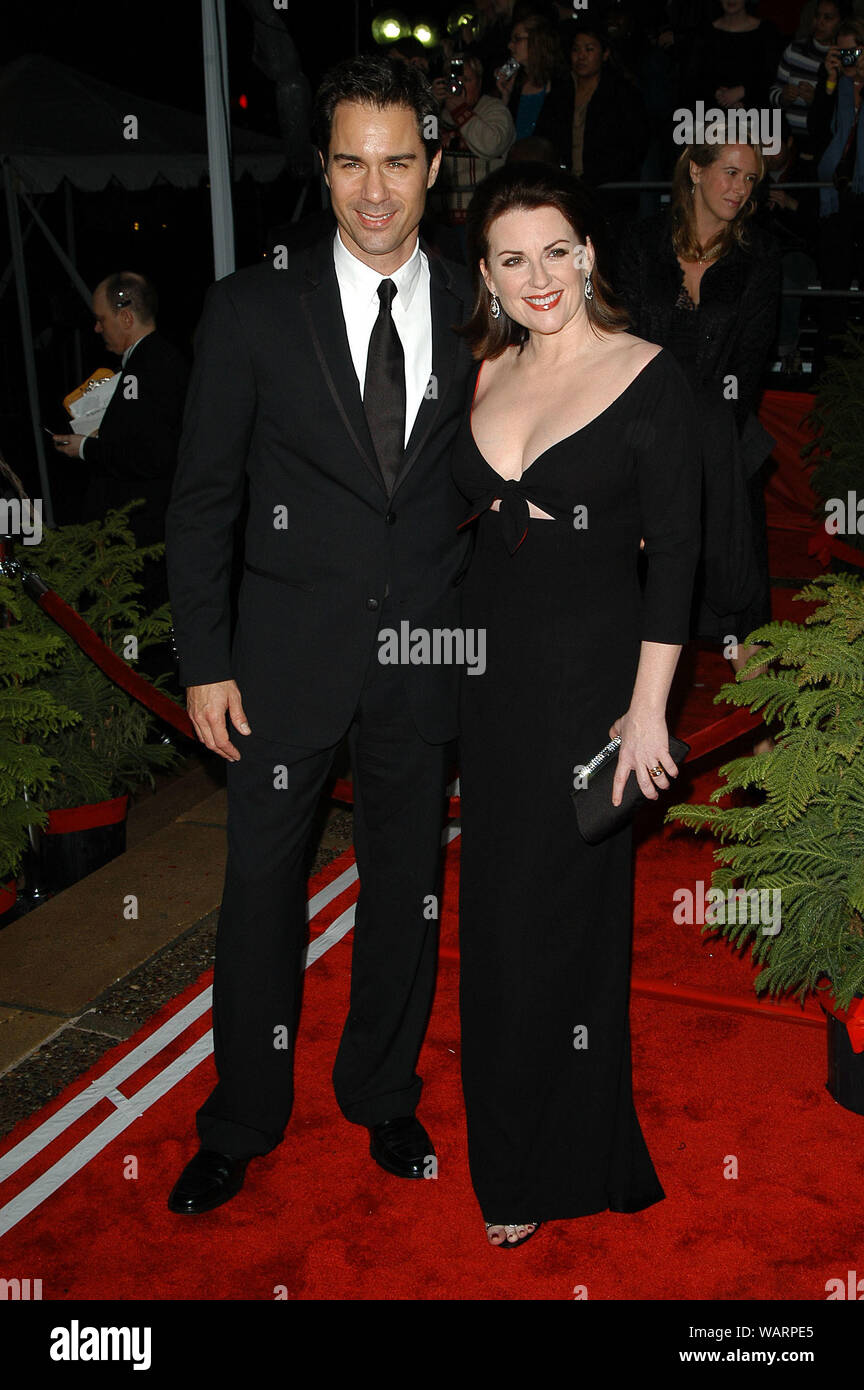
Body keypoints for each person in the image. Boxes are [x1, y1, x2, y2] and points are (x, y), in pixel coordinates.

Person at [164, 56, 476, 1215]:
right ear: (325, 167)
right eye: (352, 161)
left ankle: (383, 1091)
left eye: (400, 160)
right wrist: (205, 658)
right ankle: (240, 1117)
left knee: (406, 885)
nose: (376, 188)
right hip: (282, 662)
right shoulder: (254, 305)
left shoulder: (478, 304)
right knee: (260, 894)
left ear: (435, 168)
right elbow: (203, 502)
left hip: (425, 660)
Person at [452, 161, 702, 1247]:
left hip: (591, 690)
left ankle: (560, 1157)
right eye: (514, 258)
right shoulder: (485, 369)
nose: (538, 275)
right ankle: (509, 1154)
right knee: (495, 929)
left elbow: (679, 562)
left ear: (589, 252)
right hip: (486, 690)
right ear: (488, 274)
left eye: (557, 249)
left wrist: (649, 713)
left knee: (564, 931)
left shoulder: (651, 376)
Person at [616, 142, 782, 747]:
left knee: (742, 606)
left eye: (751, 179)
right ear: (695, 166)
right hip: (642, 440)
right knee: (631, 601)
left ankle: (771, 756)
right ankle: (617, 738)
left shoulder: (760, 258)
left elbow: (749, 366)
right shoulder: (639, 244)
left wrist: (703, 446)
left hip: (720, 442)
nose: (740, 188)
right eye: (730, 171)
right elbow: (620, 346)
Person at [51, 272, 189, 612]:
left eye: (101, 319)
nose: (97, 329)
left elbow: (153, 455)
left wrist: (84, 447)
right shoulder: (151, 362)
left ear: (126, 317)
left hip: (143, 536)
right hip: (142, 535)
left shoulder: (152, 365)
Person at [809, 17, 864, 356]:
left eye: (854, 50)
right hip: (837, 200)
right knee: (835, 284)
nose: (847, 58)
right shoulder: (833, 85)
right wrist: (829, 81)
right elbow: (816, 130)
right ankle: (831, 363)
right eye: (841, 51)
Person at [431, 52, 516, 227]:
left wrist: (460, 111)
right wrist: (430, 106)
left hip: (482, 216)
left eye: (467, 80)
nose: (459, 86)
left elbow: (492, 145)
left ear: (479, 82)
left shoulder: (494, 109)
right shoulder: (435, 115)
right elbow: (424, 146)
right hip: (440, 219)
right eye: (454, 80)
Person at [769, 0, 843, 159]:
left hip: (823, 145)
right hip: (788, 141)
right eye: (817, 16)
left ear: (840, 23)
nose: (820, 22)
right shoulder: (795, 50)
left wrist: (816, 101)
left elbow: (842, 111)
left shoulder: (840, 60)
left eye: (828, 18)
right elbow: (772, 93)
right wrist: (783, 97)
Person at [685, 0, 780, 111]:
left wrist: (743, 91)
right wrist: (719, 95)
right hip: (712, 110)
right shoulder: (704, 33)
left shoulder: (767, 32)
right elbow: (694, 77)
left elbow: (772, 76)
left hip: (757, 111)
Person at [496, 12, 570, 145]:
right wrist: (506, 98)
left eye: (517, 39)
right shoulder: (517, 82)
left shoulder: (561, 82)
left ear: (537, 40)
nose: (510, 46)